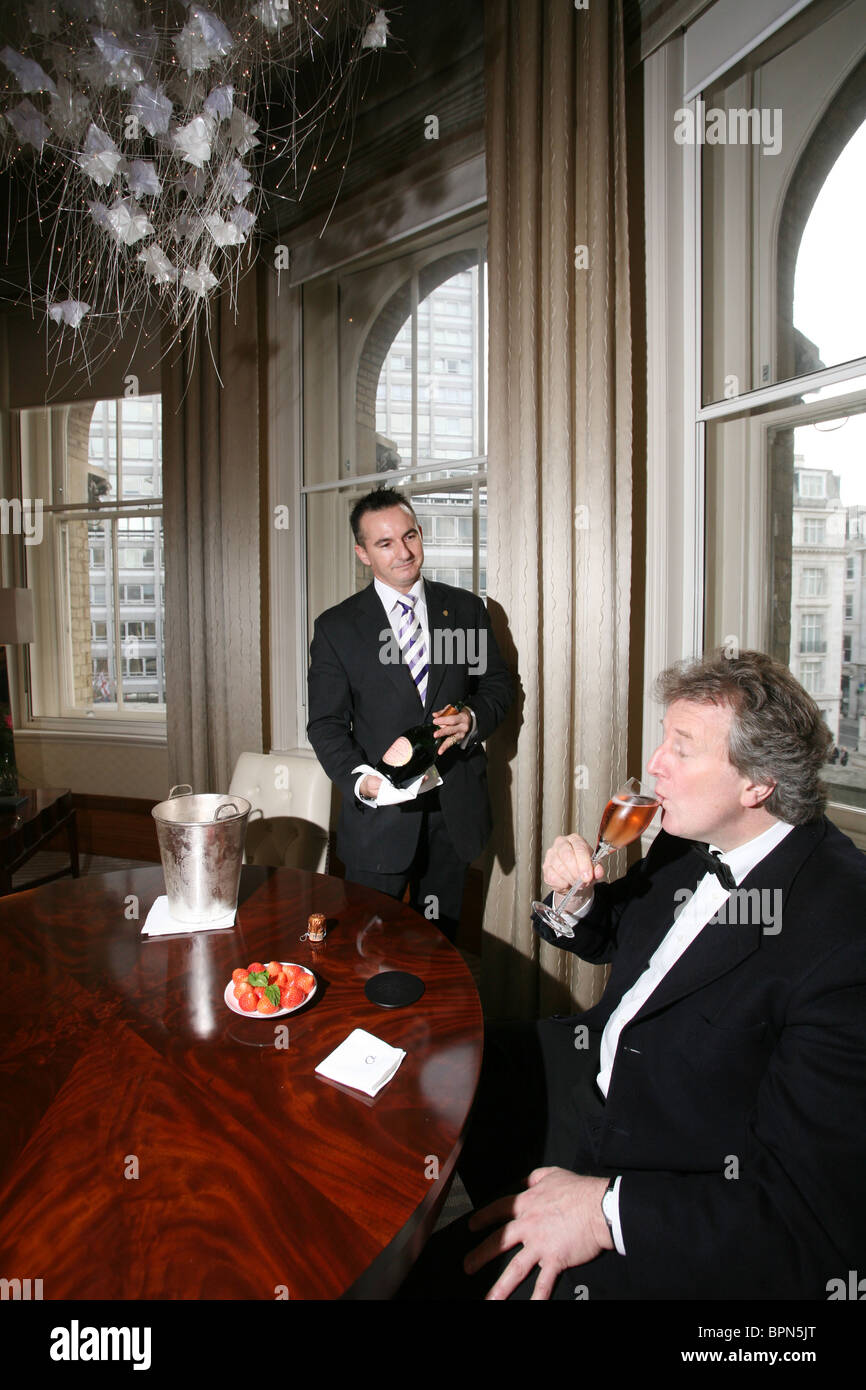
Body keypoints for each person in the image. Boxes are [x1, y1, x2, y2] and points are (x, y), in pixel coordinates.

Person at [403, 649, 866, 1299]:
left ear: (757, 783)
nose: (654, 766)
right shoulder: (687, 832)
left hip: (669, 1172)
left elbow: (805, 1221)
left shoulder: (845, 937)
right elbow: (621, 934)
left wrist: (604, 1211)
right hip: (594, 1074)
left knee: (433, 1282)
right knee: (442, 1064)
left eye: (682, 747)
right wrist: (577, 900)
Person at [306, 487, 513, 941]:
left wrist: (473, 718)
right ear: (362, 553)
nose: (404, 552)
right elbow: (325, 725)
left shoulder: (465, 609)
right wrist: (362, 781)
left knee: (441, 949)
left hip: (453, 813)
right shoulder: (336, 628)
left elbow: (497, 685)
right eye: (385, 543)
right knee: (366, 947)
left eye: (410, 536)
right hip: (380, 818)